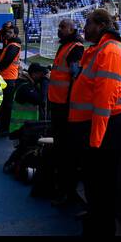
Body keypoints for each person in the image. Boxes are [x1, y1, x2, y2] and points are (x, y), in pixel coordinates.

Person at [67, 8, 121, 236]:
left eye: (88, 24)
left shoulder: (110, 50)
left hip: (106, 128)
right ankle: (95, 219)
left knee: (103, 185)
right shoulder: (99, 49)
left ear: (101, 25)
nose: (84, 28)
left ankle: (101, 228)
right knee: (95, 184)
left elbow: (104, 100)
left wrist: (95, 141)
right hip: (99, 127)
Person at [47, 18, 85, 204]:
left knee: (66, 152)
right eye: (59, 26)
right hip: (57, 104)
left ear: (72, 29)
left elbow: (76, 77)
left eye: (63, 27)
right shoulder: (64, 47)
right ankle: (61, 187)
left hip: (65, 108)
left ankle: (66, 191)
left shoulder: (75, 48)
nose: (59, 29)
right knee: (60, 149)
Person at [8, 62, 50, 138]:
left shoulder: (28, 83)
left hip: (26, 127)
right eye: (41, 74)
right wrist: (45, 81)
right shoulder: (25, 87)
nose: (42, 77)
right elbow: (41, 100)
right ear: (34, 74)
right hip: (21, 129)